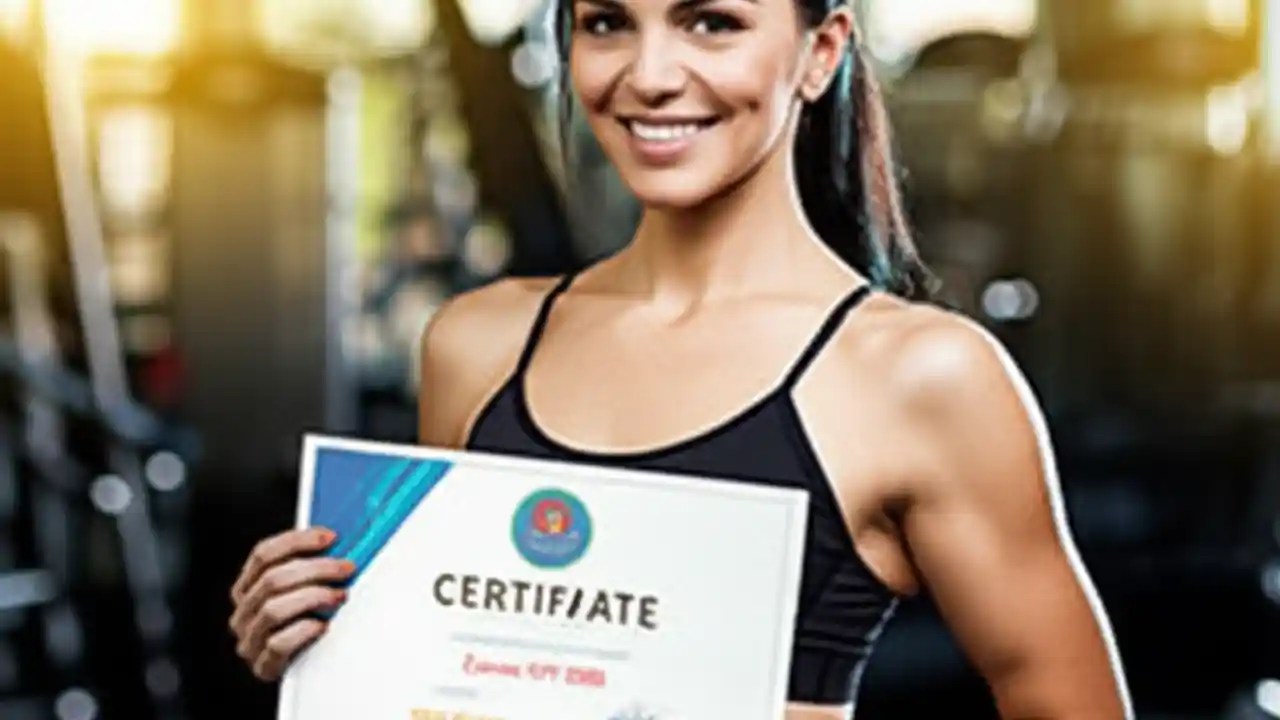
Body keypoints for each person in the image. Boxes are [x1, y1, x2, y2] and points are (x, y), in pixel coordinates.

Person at [228, 1, 1134, 718]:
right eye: (608, 23)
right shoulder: (477, 345)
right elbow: (447, 683)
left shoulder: (920, 375)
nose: (650, 76)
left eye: (713, 21)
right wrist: (321, 645)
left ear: (820, 54)